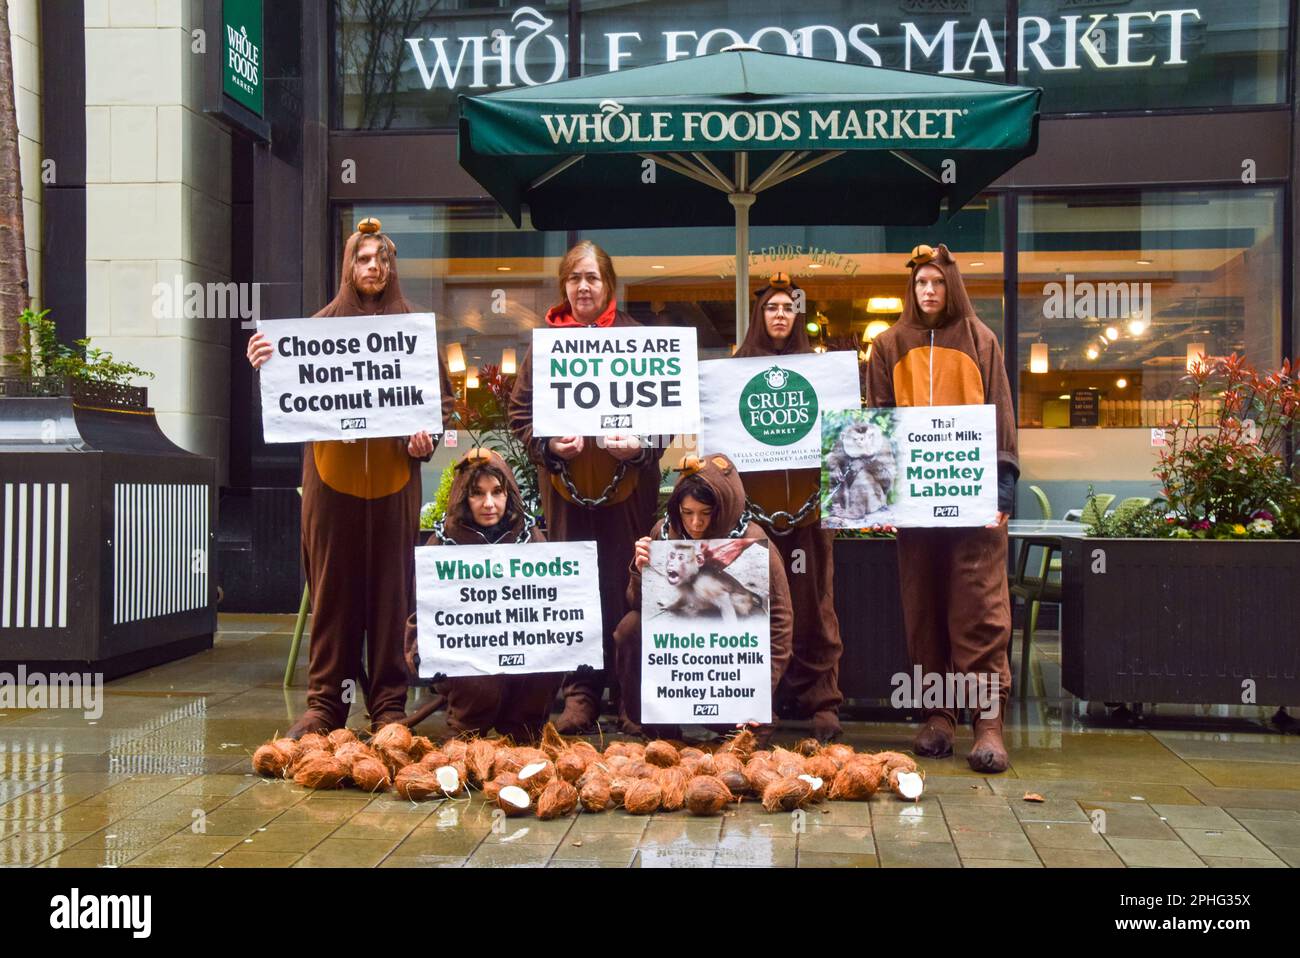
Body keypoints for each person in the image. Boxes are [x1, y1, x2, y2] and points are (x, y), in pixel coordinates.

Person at [247, 216, 454, 737]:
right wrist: (264, 364)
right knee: (332, 596)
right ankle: (326, 705)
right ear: (349, 265)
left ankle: (388, 704)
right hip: (330, 484)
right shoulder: (313, 331)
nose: (374, 267)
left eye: (383, 259)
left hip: (393, 486)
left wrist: (425, 437)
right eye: (364, 259)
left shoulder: (414, 329)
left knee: (392, 597)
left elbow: (441, 404)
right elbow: (291, 397)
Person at [866, 243, 1018, 772]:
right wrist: (879, 493)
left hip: (973, 501)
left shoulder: (982, 339)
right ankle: (938, 713)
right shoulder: (887, 345)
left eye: (936, 282)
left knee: (979, 607)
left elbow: (999, 410)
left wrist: (1002, 490)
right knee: (924, 605)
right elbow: (877, 423)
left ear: (951, 285)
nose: (928, 291)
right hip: (916, 503)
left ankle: (988, 721)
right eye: (920, 283)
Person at [508, 241, 664, 733]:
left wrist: (638, 446)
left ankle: (630, 695)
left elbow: (666, 419)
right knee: (573, 589)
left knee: (628, 588)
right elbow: (518, 415)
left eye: (592, 278)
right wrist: (550, 445)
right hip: (566, 497)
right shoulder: (545, 345)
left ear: (609, 284)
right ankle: (580, 693)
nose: (583, 286)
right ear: (564, 286)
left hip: (627, 496)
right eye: (574, 278)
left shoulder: (638, 339)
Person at [612, 453, 793, 742]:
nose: (696, 523)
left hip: (730, 672)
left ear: (723, 506)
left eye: (706, 513)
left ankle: (749, 723)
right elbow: (638, 605)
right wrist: (640, 568)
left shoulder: (755, 541)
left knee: (743, 739)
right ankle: (655, 723)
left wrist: (758, 692)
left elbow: (781, 624)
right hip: (682, 668)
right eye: (687, 512)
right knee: (629, 628)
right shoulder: (663, 533)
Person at [734, 273, 846, 743]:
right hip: (756, 515)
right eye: (771, 308)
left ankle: (821, 698)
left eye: (788, 308)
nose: (780, 315)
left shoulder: (819, 372)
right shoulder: (735, 371)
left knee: (814, 602)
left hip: (809, 511)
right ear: (760, 316)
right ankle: (758, 701)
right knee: (754, 607)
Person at [401, 449, 562, 742]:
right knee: (479, 682)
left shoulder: (530, 537)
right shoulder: (442, 543)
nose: (489, 504)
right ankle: (466, 730)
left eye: (497, 492)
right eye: (478, 493)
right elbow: (421, 611)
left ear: (508, 494)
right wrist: (419, 650)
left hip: (521, 646)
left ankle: (524, 732)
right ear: (464, 497)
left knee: (546, 664)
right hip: (468, 655)